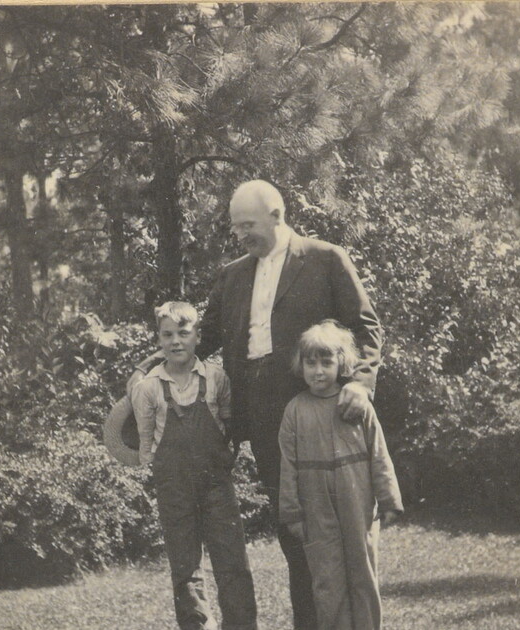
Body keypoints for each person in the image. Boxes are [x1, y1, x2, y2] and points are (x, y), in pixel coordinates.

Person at [132, 179, 383, 629]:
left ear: (276, 215)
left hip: (321, 417)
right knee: (292, 531)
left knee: (334, 533)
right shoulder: (232, 275)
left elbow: (367, 328)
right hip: (262, 421)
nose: (239, 235)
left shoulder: (325, 259)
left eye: (247, 224)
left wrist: (361, 383)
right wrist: (149, 365)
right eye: (235, 227)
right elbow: (202, 339)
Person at [130, 301, 257, 630]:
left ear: (197, 336)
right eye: (167, 334)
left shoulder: (216, 378)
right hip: (174, 486)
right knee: (185, 567)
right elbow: (146, 442)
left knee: (232, 560)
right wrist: (157, 470)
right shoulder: (149, 388)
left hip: (216, 483)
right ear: (158, 340)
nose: (175, 341)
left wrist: (225, 460)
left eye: (183, 333)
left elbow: (228, 426)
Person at [278, 321, 403, 630]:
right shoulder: (295, 410)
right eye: (311, 362)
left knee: (363, 572)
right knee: (327, 580)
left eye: (326, 362)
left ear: (341, 363)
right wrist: (292, 512)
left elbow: (378, 453)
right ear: (301, 364)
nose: (318, 371)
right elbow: (288, 466)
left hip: (356, 496)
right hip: (315, 503)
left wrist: (388, 499)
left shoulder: (356, 403)